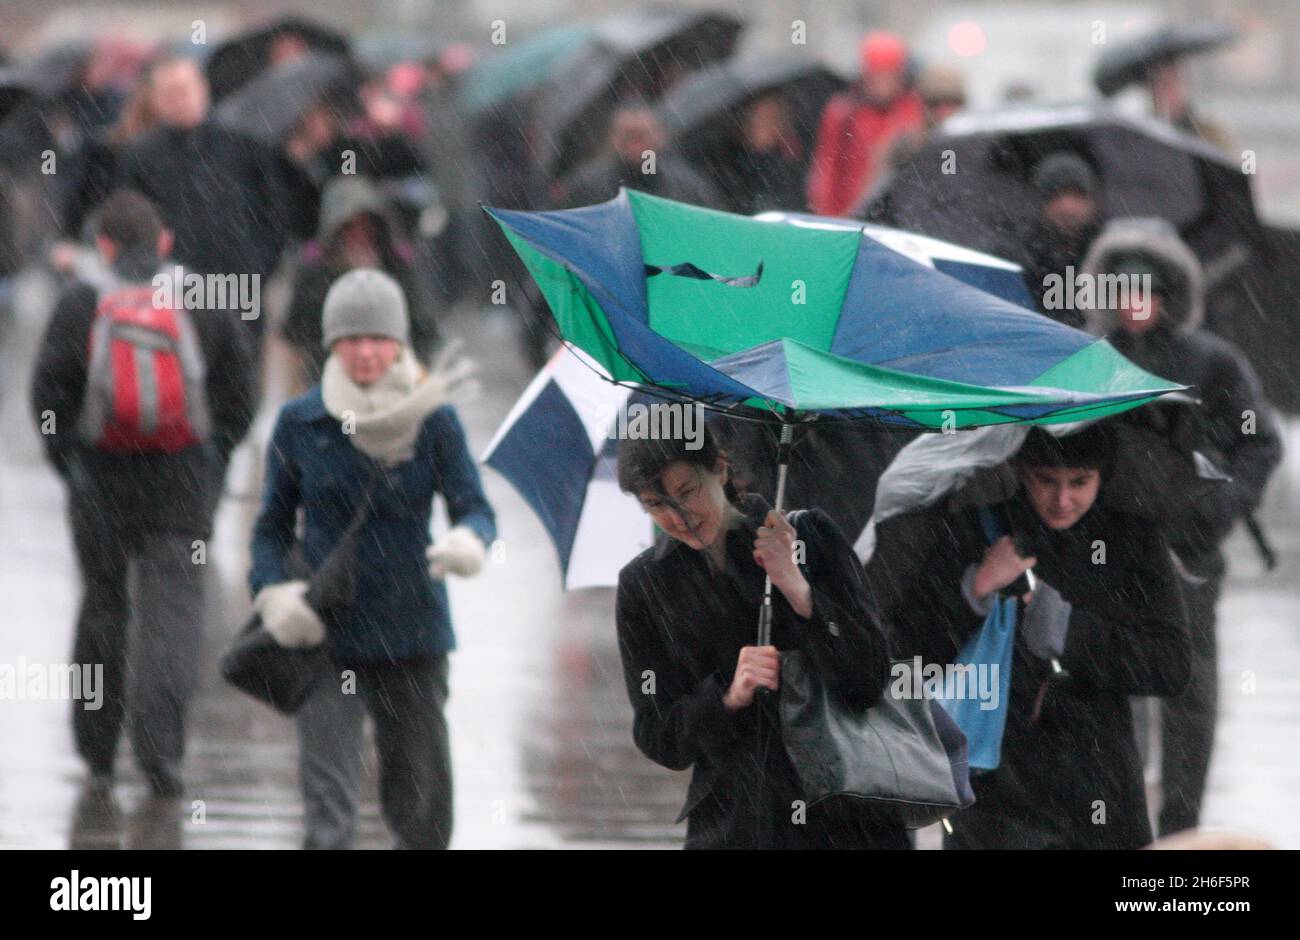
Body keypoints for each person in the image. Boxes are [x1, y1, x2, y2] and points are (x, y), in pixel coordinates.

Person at [248, 268, 496, 849]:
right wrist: (271, 591)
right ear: (331, 344)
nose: (364, 352)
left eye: (376, 338)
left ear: (399, 342)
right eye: (350, 339)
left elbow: (475, 507)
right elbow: (269, 530)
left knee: (422, 812)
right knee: (328, 813)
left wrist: (469, 541)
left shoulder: (435, 417)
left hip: (414, 635)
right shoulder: (300, 423)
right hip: (325, 632)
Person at [866, 425, 1191, 849]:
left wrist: (1068, 631)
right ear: (1020, 470)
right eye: (1047, 481)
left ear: (1103, 475)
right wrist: (974, 591)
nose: (1062, 500)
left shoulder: (1132, 541)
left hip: (1099, 783)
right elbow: (908, 660)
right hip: (995, 785)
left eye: (1079, 482)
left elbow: (1170, 666)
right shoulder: (973, 532)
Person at [29, 189, 256, 797]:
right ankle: (162, 754)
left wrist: (71, 463)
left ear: (102, 245)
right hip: (182, 481)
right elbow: (239, 395)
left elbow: (47, 395)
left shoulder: (81, 302)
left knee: (102, 606)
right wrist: (213, 460)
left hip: (100, 480)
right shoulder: (202, 302)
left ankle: (98, 749)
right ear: (164, 241)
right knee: (173, 614)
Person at [1079, 217, 1283, 837]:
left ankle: (1182, 824)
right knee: (1111, 682)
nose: (1134, 304)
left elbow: (1261, 443)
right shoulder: (1090, 363)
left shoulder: (1214, 364)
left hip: (1186, 556)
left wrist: (1218, 507)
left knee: (1188, 689)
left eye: (1145, 289)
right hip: (1104, 551)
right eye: (1122, 291)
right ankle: (1123, 811)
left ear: (1168, 293)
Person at [614, 427, 907, 849]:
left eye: (688, 491)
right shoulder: (645, 586)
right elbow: (660, 736)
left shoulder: (809, 538)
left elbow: (870, 676)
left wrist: (797, 588)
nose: (679, 517)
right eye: (656, 504)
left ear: (718, 469)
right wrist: (725, 698)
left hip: (847, 821)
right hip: (735, 826)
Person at [115, 55, 289, 304]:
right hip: (172, 284)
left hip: (239, 281)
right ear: (156, 100)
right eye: (169, 93)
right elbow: (130, 218)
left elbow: (273, 210)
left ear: (202, 89)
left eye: (184, 90)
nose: (179, 100)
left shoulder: (244, 145)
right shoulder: (140, 155)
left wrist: (259, 267)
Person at [280, 175, 441, 389]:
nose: (359, 237)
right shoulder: (314, 276)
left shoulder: (399, 271)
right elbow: (296, 334)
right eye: (350, 230)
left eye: (366, 228)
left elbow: (424, 331)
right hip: (328, 385)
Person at [806, 31, 924, 217]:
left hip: (896, 214)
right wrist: (828, 217)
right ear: (865, 75)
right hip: (849, 213)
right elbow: (827, 168)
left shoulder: (914, 110)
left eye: (889, 76)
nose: (882, 85)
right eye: (876, 76)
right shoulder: (843, 113)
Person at [551, 100, 723, 210]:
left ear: (660, 137)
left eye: (644, 135)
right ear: (614, 140)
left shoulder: (687, 187)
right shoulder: (588, 186)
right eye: (630, 136)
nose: (639, 145)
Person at [1016, 152, 1104, 327]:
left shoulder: (1107, 252)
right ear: (1042, 203)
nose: (1067, 208)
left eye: (1077, 196)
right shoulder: (1023, 254)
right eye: (1057, 196)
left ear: (1092, 202)